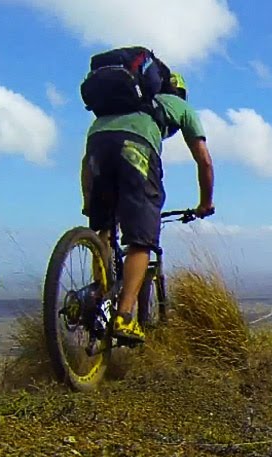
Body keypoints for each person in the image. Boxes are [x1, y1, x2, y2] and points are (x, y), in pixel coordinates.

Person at [80, 71, 214, 344]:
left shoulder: (121, 106)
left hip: (96, 144)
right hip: (135, 149)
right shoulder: (182, 108)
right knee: (141, 240)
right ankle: (125, 316)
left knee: (103, 229)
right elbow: (205, 162)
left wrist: (88, 201)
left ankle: (98, 292)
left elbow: (87, 164)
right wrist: (205, 203)